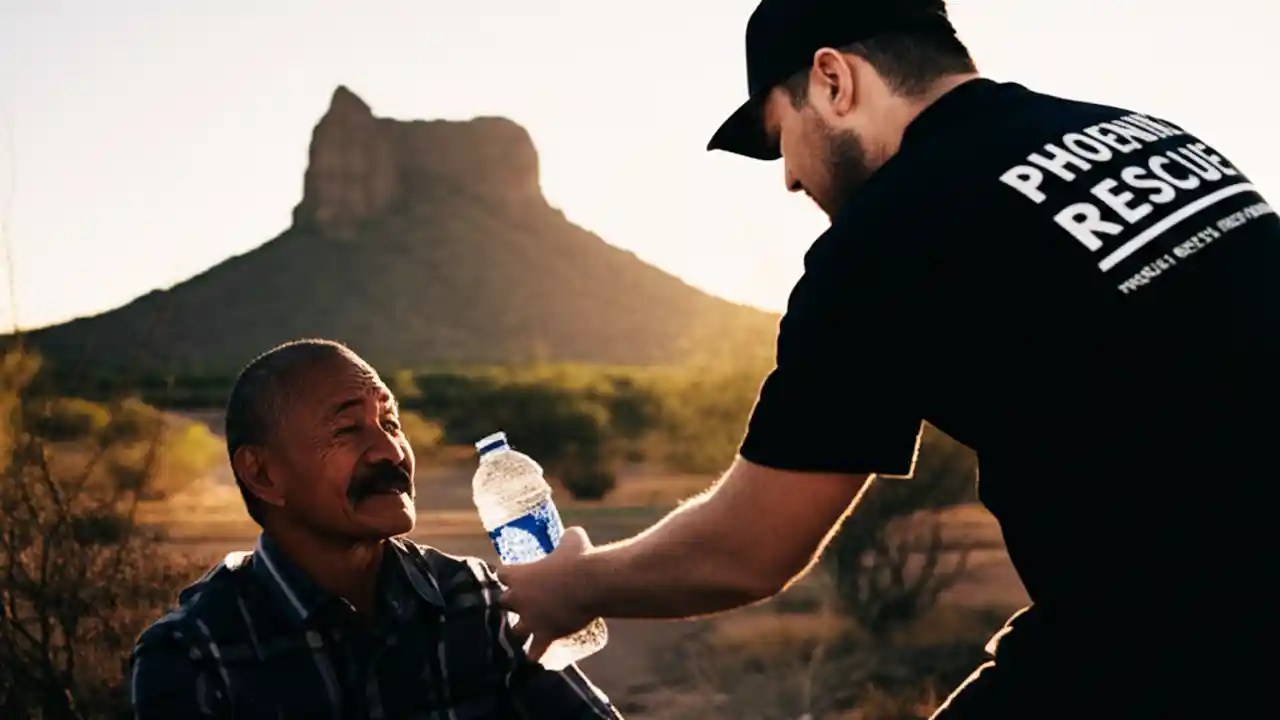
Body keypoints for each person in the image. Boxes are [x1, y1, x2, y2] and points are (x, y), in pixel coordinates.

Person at [497, 0, 1278, 717]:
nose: (792, 176)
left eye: (780, 139)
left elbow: (747, 550)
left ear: (834, 80)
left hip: (1185, 648)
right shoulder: (1149, 134)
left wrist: (575, 584)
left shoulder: (888, 236)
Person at [129, 339, 623, 719]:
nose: (390, 451)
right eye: (347, 429)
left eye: (390, 423)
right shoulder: (197, 652)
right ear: (264, 474)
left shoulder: (474, 599)